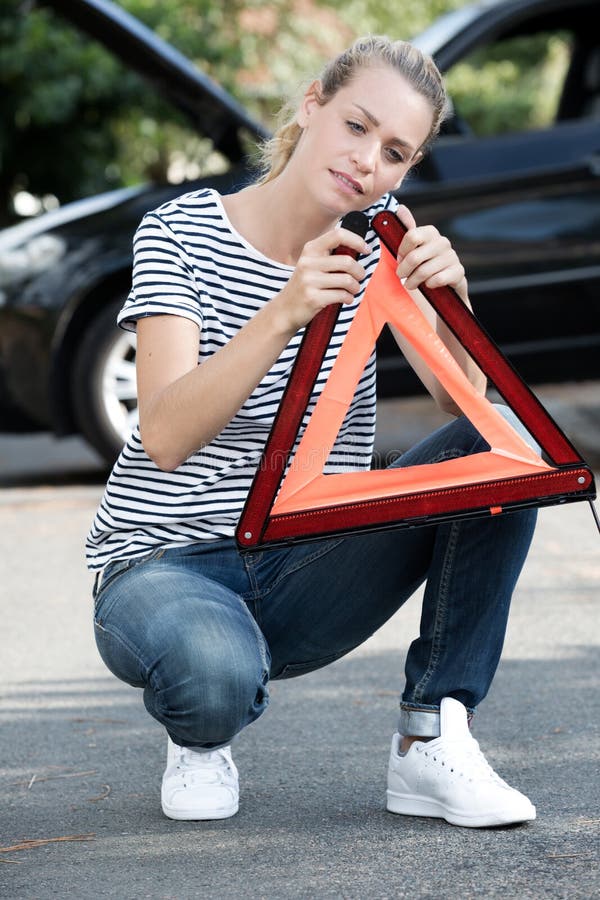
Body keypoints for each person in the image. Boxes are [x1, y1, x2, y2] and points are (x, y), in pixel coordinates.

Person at [87, 35, 538, 828]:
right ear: (312, 106)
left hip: (309, 557)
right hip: (166, 565)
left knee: (501, 450)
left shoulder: (382, 234)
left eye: (396, 151)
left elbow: (465, 412)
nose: (369, 162)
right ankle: (200, 733)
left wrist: (454, 303)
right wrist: (285, 311)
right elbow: (162, 435)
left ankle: (433, 736)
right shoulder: (180, 232)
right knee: (212, 675)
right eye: (357, 127)